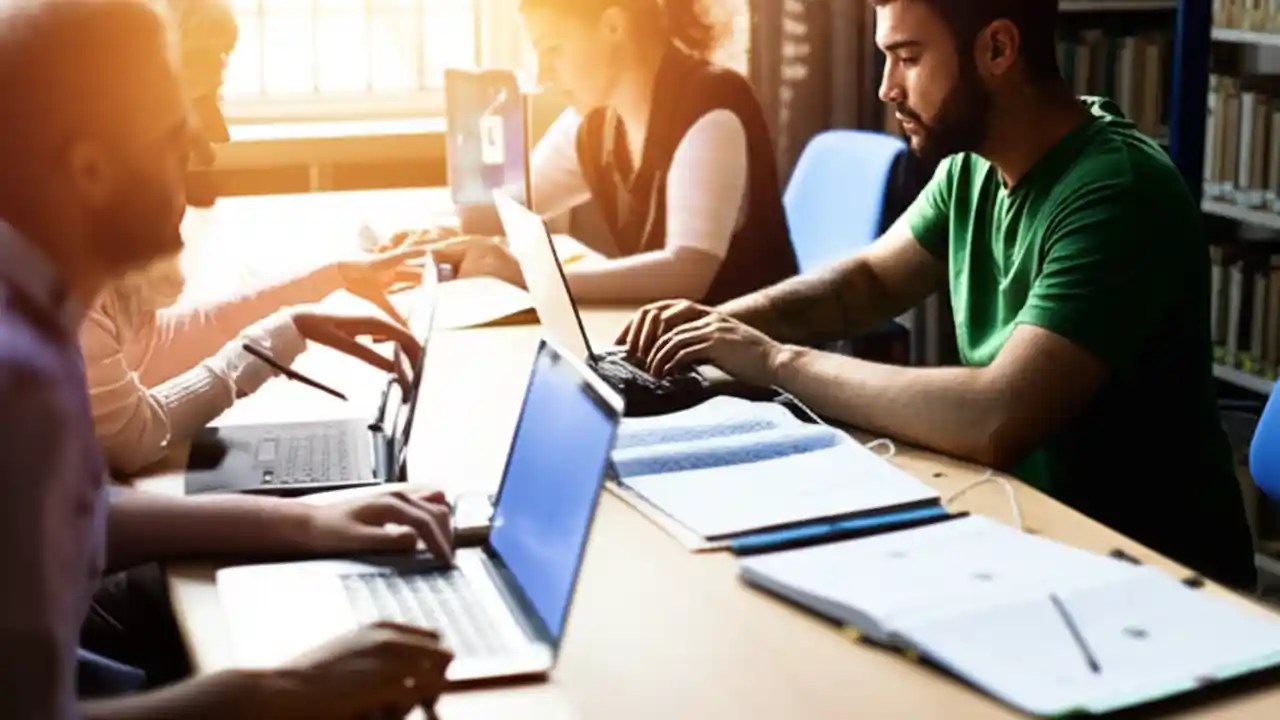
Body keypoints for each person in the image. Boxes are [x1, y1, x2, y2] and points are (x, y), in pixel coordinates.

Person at [621, 0, 1258, 591]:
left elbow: (996, 417)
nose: (886, 88)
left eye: (908, 57)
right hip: (1028, 535)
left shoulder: (1117, 190)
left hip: (1150, 577)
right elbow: (866, 282)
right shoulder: (972, 166)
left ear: (998, 49)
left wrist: (774, 361)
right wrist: (712, 329)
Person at [0, 2, 455, 717]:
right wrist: (280, 691)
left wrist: (310, 523)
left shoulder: (33, 307)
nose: (205, 146)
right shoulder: (19, 373)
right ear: (90, 169)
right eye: (174, 133)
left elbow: (78, 513)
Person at [80, 0, 425, 475]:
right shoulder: (57, 268)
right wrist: (274, 340)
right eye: (187, 119)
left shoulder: (95, 265)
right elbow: (132, 439)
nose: (210, 144)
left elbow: (153, 348)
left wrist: (327, 284)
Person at [404, 0, 798, 305]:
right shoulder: (593, 122)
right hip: (681, 357)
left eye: (553, 49)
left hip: (747, 372)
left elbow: (688, 270)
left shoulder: (711, 104)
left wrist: (531, 277)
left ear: (613, 26)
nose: (542, 75)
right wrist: (446, 235)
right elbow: (513, 207)